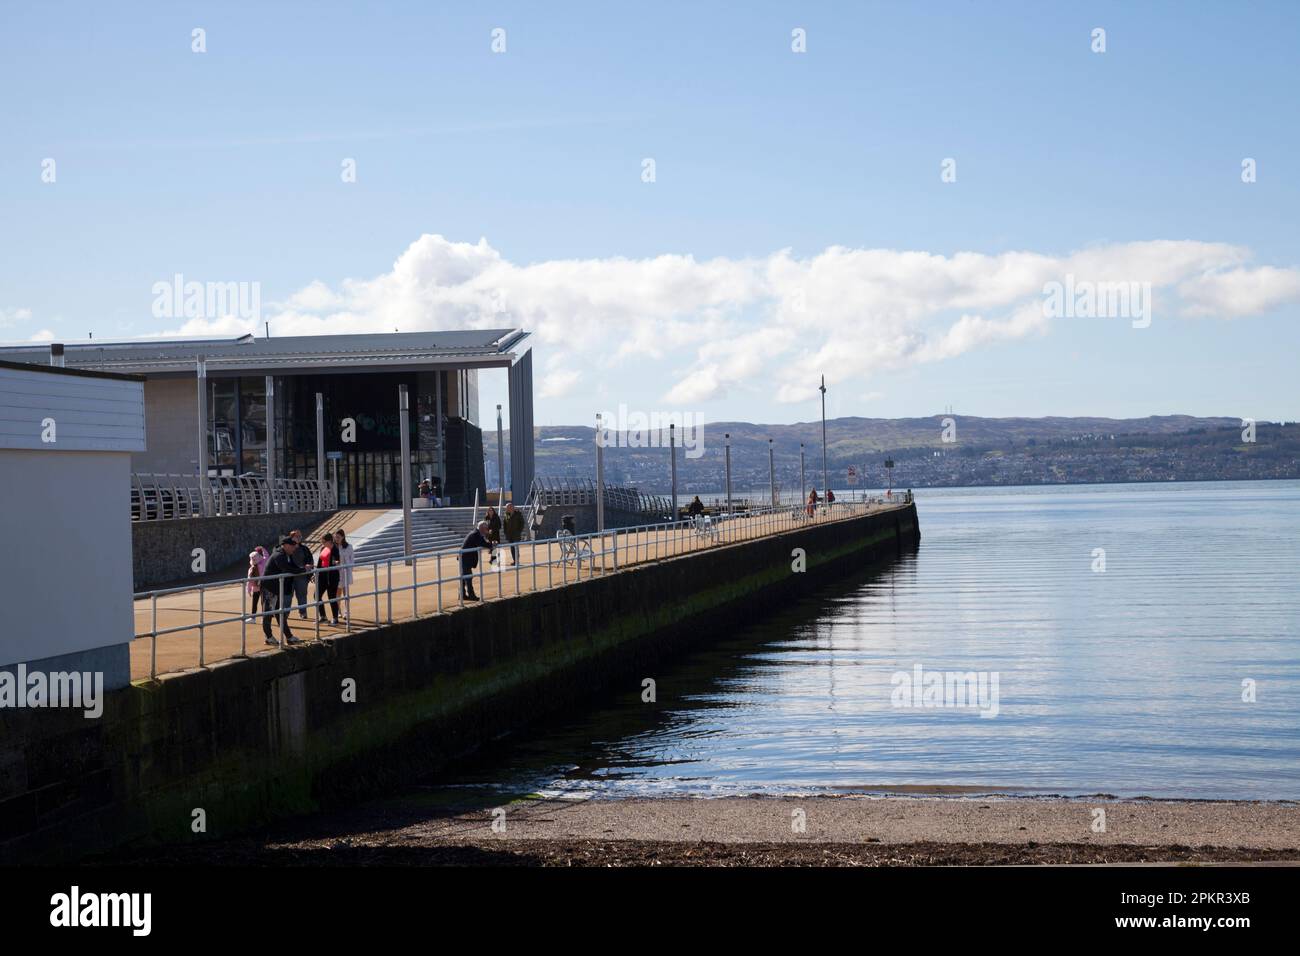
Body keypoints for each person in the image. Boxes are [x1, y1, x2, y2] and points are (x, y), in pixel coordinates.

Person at [260, 537, 304, 645]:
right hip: (269, 588)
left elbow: (292, 566)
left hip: (276, 587)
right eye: (293, 547)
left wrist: (303, 568)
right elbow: (287, 569)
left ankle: (289, 637)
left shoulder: (286, 555)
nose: (294, 549)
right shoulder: (279, 555)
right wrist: (303, 570)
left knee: (280, 613)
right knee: (268, 613)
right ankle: (269, 637)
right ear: (286, 545)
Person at [459, 520, 494, 600]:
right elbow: (483, 543)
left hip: (465, 557)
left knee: (465, 577)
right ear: (482, 528)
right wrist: (492, 545)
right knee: (468, 577)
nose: (487, 530)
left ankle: (462, 594)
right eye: (486, 529)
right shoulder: (475, 534)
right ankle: (471, 595)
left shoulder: (476, 533)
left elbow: (483, 542)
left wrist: (488, 539)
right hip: (465, 557)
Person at [288, 529, 314, 620]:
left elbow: (310, 560)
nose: (299, 538)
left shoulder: (305, 549)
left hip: (302, 577)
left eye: (300, 536)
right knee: (287, 596)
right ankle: (284, 613)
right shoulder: (287, 548)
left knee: (302, 595)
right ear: (291, 537)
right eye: (297, 536)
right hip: (289, 577)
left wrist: (309, 568)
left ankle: (303, 612)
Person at [315, 534, 341, 624]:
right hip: (322, 577)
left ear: (329, 541)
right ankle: (323, 616)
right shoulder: (323, 549)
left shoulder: (335, 549)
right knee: (317, 595)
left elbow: (338, 560)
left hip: (332, 577)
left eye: (323, 542)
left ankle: (335, 618)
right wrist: (316, 573)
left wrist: (337, 562)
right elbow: (319, 562)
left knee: (332, 597)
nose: (322, 543)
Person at [333, 529, 355, 622]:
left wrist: (349, 568)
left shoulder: (349, 547)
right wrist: (335, 563)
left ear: (343, 537)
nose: (337, 539)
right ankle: (338, 611)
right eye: (335, 537)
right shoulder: (333, 548)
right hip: (337, 573)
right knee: (338, 593)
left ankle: (347, 612)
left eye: (338, 537)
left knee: (346, 592)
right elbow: (332, 560)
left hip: (346, 572)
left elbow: (352, 560)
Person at [245, 545, 269, 623]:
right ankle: (263, 618)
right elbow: (266, 556)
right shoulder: (263, 563)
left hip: (257, 588)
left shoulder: (251, 568)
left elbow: (249, 581)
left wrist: (248, 590)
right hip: (263, 587)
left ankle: (253, 618)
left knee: (255, 603)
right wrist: (262, 549)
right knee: (263, 603)